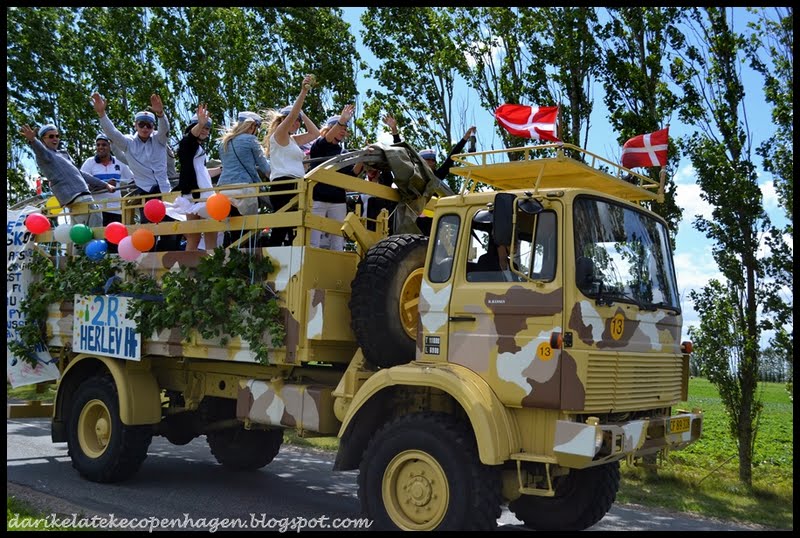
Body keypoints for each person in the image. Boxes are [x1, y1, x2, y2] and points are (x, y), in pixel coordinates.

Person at [91, 92, 181, 250]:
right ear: (135, 125)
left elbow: (165, 128)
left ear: (153, 127)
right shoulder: (128, 143)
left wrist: (160, 114)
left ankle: (169, 264)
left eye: (149, 125)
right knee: (147, 230)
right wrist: (102, 114)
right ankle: (147, 264)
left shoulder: (160, 139)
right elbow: (112, 133)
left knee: (170, 229)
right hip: (145, 191)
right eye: (141, 124)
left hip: (164, 189)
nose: (145, 128)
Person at [263, 74, 320, 246]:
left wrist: (302, 114)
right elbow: (292, 114)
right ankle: (270, 260)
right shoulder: (278, 135)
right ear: (284, 120)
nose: (297, 122)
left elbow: (315, 134)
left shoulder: (293, 140)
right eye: (294, 119)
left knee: (292, 228)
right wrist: (303, 93)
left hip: (297, 184)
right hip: (283, 184)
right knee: (281, 227)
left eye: (299, 121)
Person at [19, 123, 112, 228]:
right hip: (75, 196)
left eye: (57, 136)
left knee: (81, 231)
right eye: (51, 136)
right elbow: (39, 150)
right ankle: (90, 244)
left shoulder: (63, 154)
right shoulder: (44, 155)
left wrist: (105, 185)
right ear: (43, 140)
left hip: (82, 195)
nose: (55, 139)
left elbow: (80, 173)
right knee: (95, 221)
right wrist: (33, 140)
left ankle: (80, 244)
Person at [216, 111, 271, 247]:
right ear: (252, 126)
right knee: (247, 231)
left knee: (230, 230)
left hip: (223, 191)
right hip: (243, 191)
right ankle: (245, 263)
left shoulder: (224, 143)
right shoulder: (250, 140)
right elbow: (265, 167)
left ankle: (227, 259)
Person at [307, 104, 356, 251]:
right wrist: (341, 120)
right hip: (318, 198)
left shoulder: (344, 152)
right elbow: (326, 140)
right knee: (313, 238)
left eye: (345, 128)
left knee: (337, 240)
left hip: (338, 200)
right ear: (330, 128)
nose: (343, 131)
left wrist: (364, 159)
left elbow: (351, 175)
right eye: (340, 127)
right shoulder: (319, 145)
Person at [174, 104, 221, 251]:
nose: (204, 130)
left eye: (207, 128)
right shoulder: (187, 144)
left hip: (203, 192)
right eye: (202, 127)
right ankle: (190, 269)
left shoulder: (198, 149)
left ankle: (209, 267)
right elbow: (190, 139)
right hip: (196, 194)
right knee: (195, 236)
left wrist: (221, 169)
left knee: (209, 233)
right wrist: (200, 124)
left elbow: (202, 171)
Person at [416, 125, 477, 234]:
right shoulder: (414, 177)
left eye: (433, 160)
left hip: (431, 223)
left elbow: (451, 159)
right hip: (413, 220)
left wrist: (465, 138)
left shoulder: (436, 177)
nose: (432, 162)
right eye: (428, 160)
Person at [79, 133, 135, 227]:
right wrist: (103, 185)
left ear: (110, 146)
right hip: (96, 210)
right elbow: (81, 187)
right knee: (98, 239)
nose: (101, 147)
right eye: (98, 145)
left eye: (104, 145)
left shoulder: (119, 162)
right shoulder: (89, 163)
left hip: (116, 210)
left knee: (114, 240)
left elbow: (132, 180)